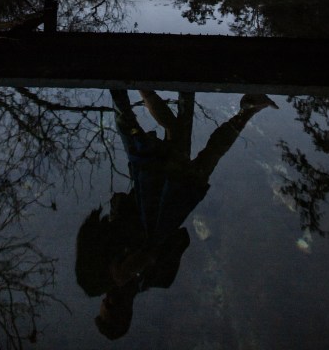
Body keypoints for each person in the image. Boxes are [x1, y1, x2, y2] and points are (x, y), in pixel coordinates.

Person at [75, 88, 278, 340]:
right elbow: (181, 239)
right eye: (116, 308)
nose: (111, 299)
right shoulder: (159, 276)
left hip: (151, 182)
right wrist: (149, 256)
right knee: (200, 151)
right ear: (128, 312)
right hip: (177, 193)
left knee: (157, 130)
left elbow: (111, 223)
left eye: (107, 304)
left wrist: (128, 251)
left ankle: (139, 84)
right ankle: (242, 107)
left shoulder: (108, 266)